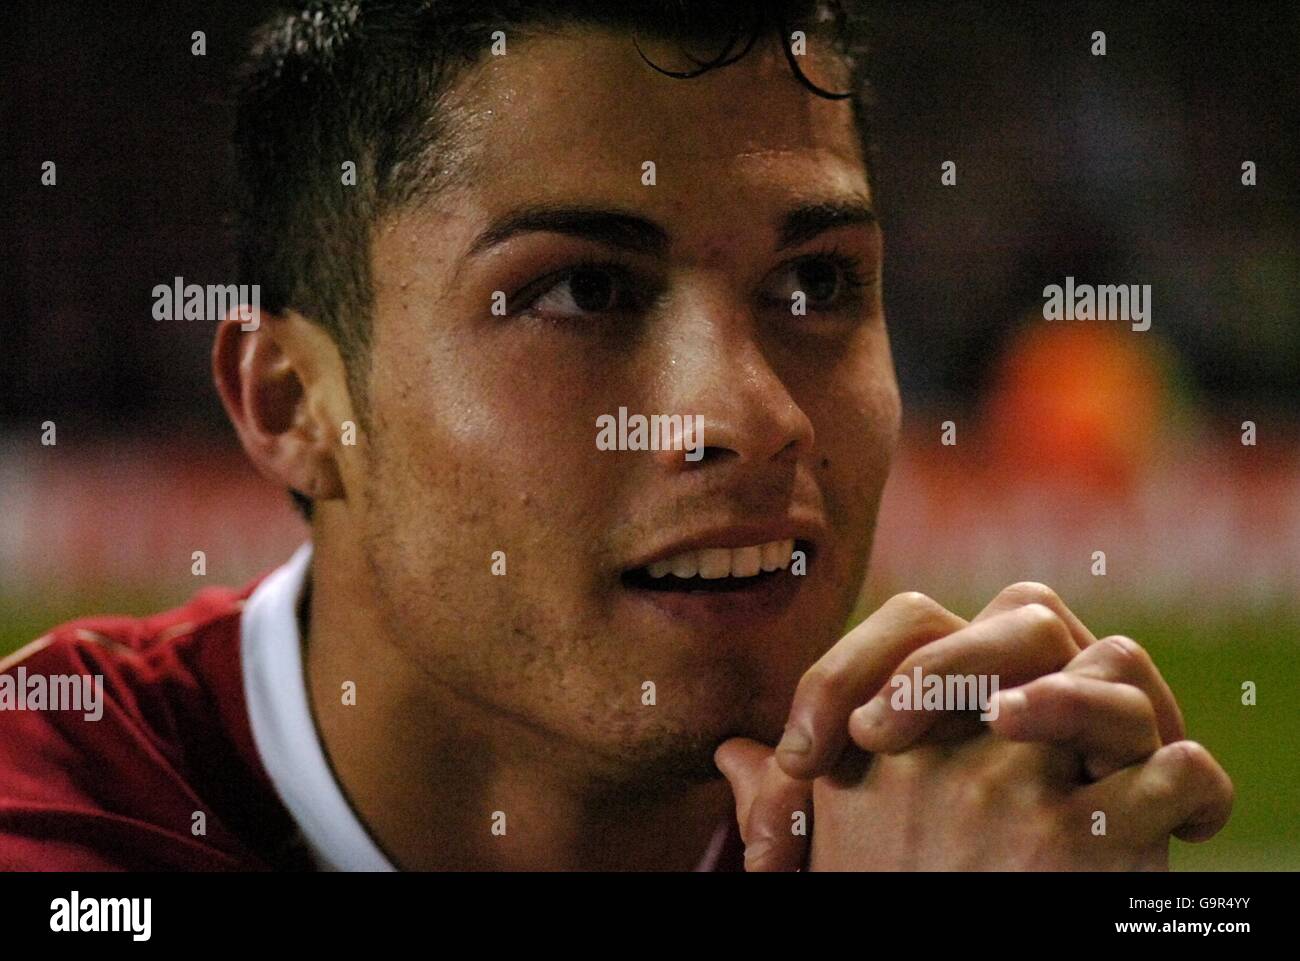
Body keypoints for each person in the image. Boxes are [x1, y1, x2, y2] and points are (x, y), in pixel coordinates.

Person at [0, 0, 1231, 871]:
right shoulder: (60, 815)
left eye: (816, 284)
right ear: (289, 406)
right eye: (582, 291)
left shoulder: (961, 827)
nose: (751, 418)